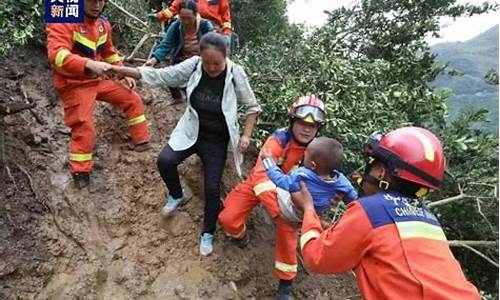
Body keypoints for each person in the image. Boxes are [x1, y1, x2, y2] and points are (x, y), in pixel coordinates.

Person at [108, 32, 261, 256]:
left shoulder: (235, 73)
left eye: (216, 63)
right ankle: (176, 194)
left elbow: (252, 107)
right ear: (200, 57)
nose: (211, 67)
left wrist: (246, 135)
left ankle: (207, 232)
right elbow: (161, 76)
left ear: (226, 56)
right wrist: (123, 70)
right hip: (192, 129)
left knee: (211, 188)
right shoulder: (194, 65)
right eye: (207, 62)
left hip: (217, 140)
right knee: (165, 161)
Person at [293, 127, 481, 300]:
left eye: (372, 163)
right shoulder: (428, 217)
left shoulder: (371, 210)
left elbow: (316, 258)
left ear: (381, 173)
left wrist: (309, 209)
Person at [218, 95, 327, 300]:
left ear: (318, 128)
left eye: (312, 126)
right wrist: (278, 212)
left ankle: (285, 284)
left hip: (292, 194)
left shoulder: (319, 151)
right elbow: (261, 176)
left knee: (288, 235)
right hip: (262, 184)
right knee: (228, 218)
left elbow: (323, 183)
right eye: (302, 123)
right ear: (292, 121)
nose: (306, 129)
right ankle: (242, 237)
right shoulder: (278, 139)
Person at [46, 0, 150, 188]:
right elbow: (57, 56)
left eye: (101, 1)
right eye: (92, 1)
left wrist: (121, 73)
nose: (97, 5)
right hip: (73, 83)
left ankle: (142, 142)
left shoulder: (103, 24)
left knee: (132, 98)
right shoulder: (63, 18)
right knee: (84, 125)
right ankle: (80, 171)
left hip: (98, 80)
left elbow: (109, 52)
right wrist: (88, 64)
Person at [262, 136, 357, 223]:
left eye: (306, 154)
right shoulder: (342, 182)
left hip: (293, 211)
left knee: (274, 187)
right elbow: (352, 197)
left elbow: (280, 180)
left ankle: (276, 215)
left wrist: (268, 161)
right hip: (316, 215)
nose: (304, 154)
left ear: (313, 165)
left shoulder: (303, 175)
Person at [144, 0, 214, 102]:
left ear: (196, 14)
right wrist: (153, 60)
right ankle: (178, 99)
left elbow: (214, 45)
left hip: (201, 61)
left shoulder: (205, 26)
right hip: (182, 59)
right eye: (182, 18)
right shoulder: (176, 26)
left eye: (189, 18)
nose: (186, 22)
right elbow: (166, 45)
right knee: (169, 76)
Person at [148, 0, 232, 44]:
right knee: (174, 29)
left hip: (211, 28)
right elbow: (173, 9)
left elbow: (226, 18)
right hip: (188, 24)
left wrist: (226, 33)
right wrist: (158, 16)